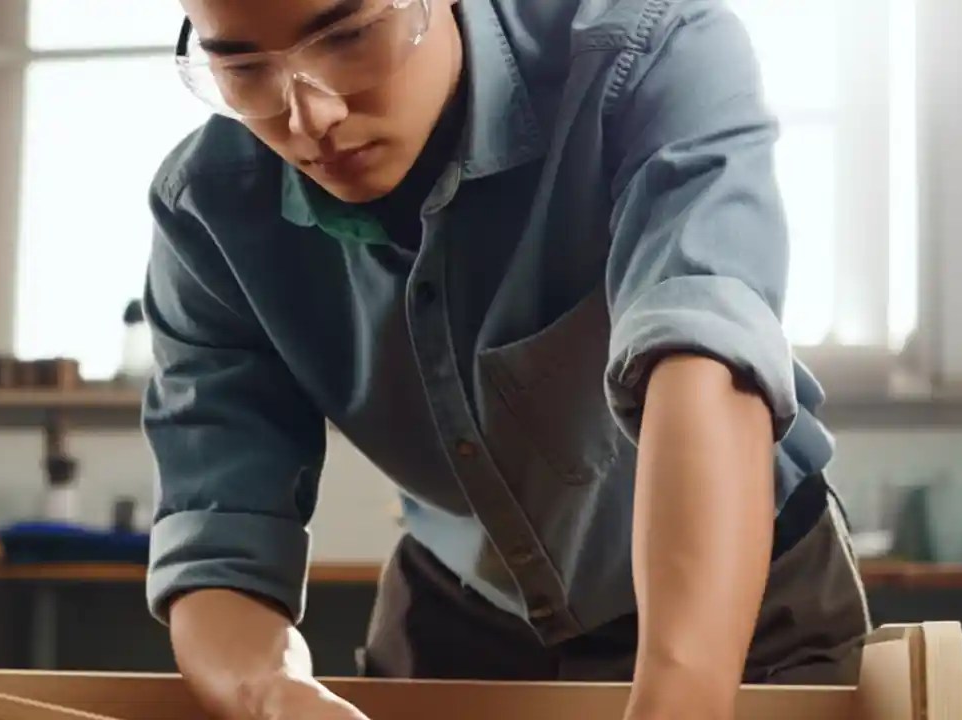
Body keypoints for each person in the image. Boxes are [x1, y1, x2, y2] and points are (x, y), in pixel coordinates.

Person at [142, 0, 871, 717]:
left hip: (741, 610)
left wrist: (680, 694)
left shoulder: (653, 53)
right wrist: (279, 698)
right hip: (459, 615)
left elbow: (702, 362)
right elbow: (220, 535)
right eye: (241, 68)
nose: (309, 117)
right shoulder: (206, 210)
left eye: (350, 37)